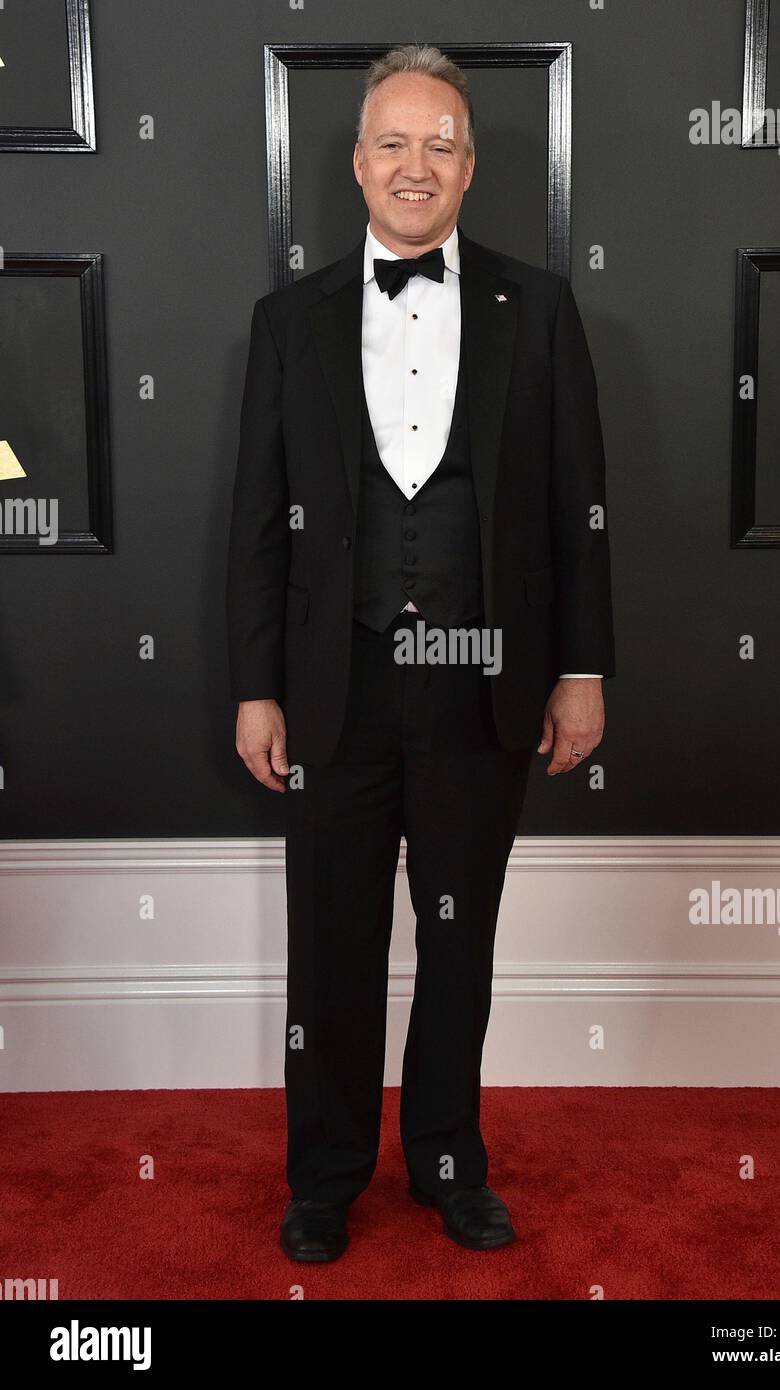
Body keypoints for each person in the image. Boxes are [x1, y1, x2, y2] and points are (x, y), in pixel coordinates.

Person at [226, 43, 615, 1262]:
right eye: (393, 141)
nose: (415, 164)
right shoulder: (286, 321)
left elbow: (578, 504)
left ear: (470, 167)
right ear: (353, 164)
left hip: (481, 691)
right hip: (332, 694)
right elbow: (255, 519)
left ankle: (449, 1163)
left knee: (460, 941)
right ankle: (326, 1176)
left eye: (439, 143)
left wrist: (584, 668)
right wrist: (254, 686)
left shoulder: (539, 309)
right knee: (331, 946)